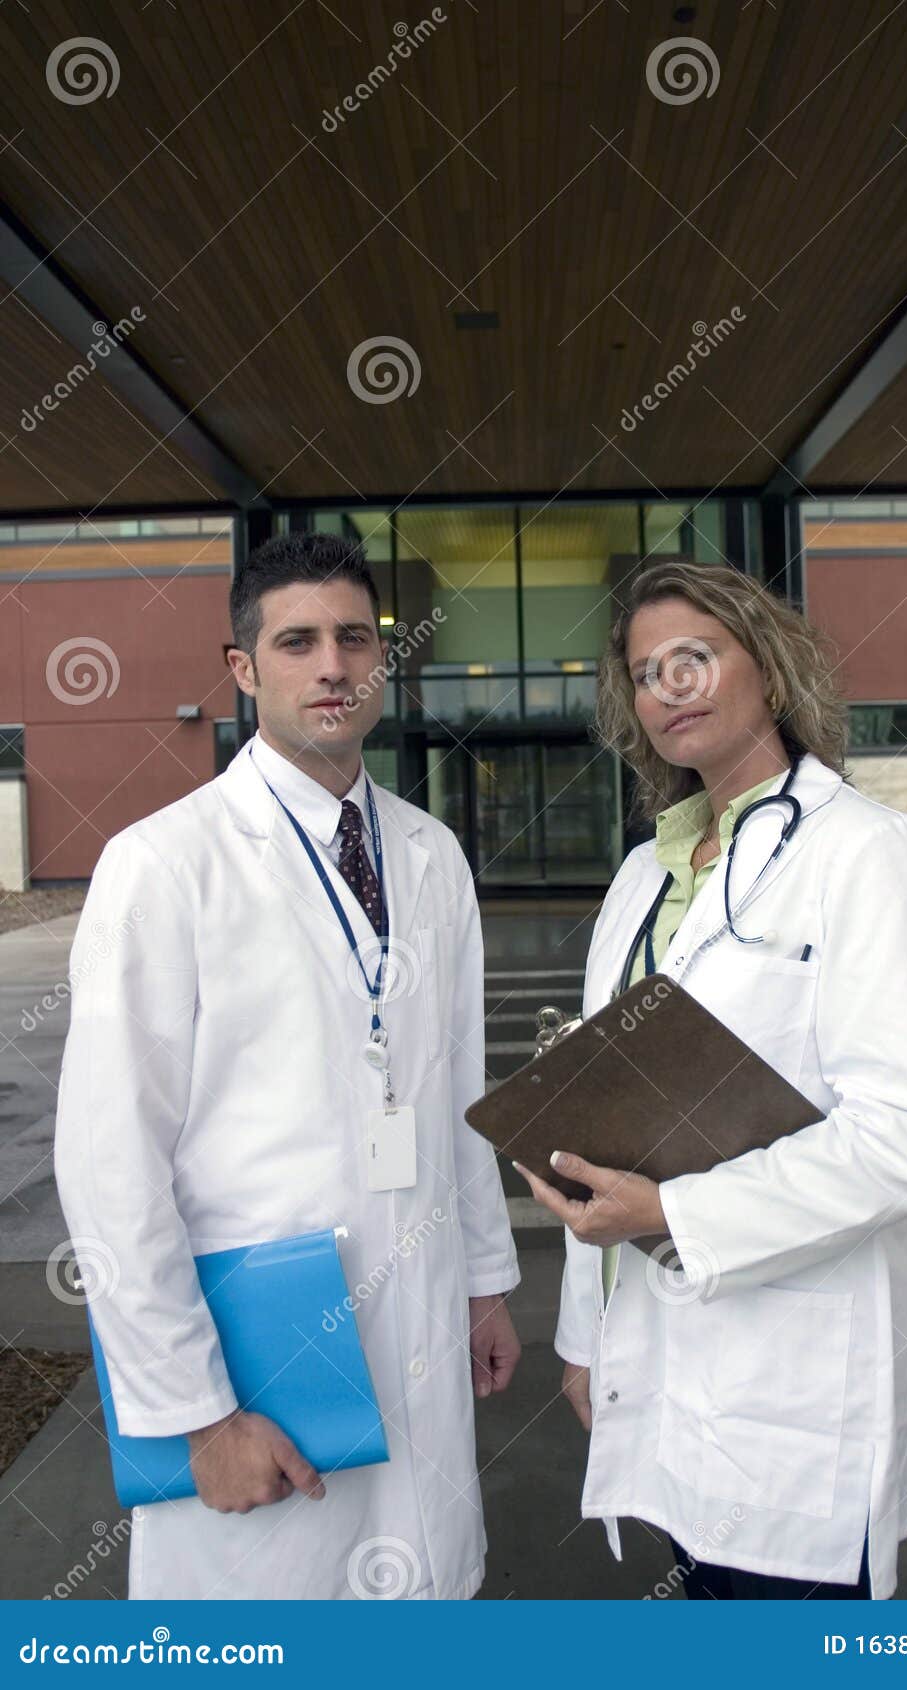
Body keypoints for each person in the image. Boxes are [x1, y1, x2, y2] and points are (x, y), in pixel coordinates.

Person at [54, 533, 520, 1600]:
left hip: (417, 1316)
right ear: (242, 667)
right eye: (297, 640)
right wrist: (196, 1414)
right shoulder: (163, 863)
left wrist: (486, 1283)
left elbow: (458, 1092)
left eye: (355, 638)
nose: (332, 666)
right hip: (257, 1367)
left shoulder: (427, 854)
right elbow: (108, 1161)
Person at [516, 560, 907, 1601]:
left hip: (795, 1378)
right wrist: (587, 1341)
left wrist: (675, 1209)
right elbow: (608, 1111)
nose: (666, 685)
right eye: (643, 671)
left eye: (694, 657)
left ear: (767, 668)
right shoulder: (644, 874)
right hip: (655, 1358)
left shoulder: (869, 853)